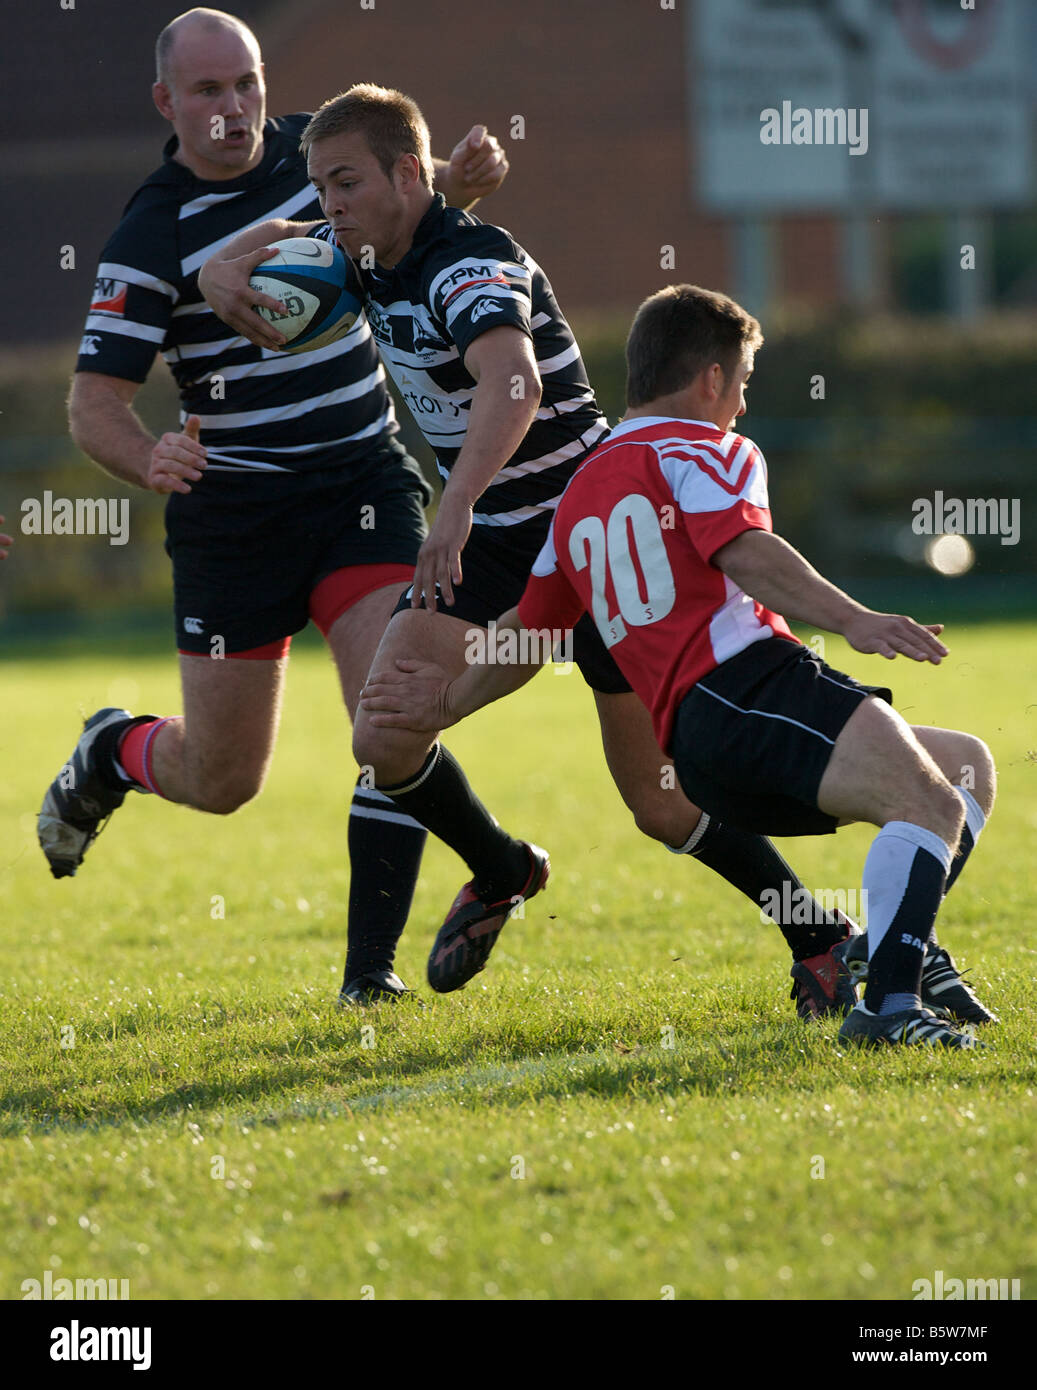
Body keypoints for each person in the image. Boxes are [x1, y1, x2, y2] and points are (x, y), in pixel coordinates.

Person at [199, 85, 903, 1022]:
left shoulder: (470, 262)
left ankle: (816, 932)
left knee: (658, 802)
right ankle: (498, 867)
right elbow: (219, 272)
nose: (328, 205)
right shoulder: (360, 253)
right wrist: (291, 242)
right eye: (319, 186)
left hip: (593, 540)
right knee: (384, 730)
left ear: (404, 175)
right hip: (495, 544)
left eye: (345, 182)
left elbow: (515, 386)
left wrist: (449, 509)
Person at [359, 284, 998, 1046]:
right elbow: (744, 550)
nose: (742, 409)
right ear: (710, 379)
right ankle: (888, 1009)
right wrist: (853, 620)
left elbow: (528, 631)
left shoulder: (578, 495)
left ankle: (889, 950)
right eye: (743, 386)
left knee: (963, 769)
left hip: (700, 757)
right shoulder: (703, 447)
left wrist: (445, 704)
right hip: (753, 689)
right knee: (930, 806)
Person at [36, 8, 509, 1008]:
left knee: (388, 713)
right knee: (222, 779)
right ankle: (109, 749)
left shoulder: (318, 154)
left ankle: (368, 975)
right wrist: (148, 454)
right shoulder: (149, 233)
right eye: (208, 91)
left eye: (245, 82)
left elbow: (412, 221)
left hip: (359, 484)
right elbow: (92, 403)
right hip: (232, 519)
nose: (235, 107)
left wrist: (459, 182)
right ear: (168, 104)